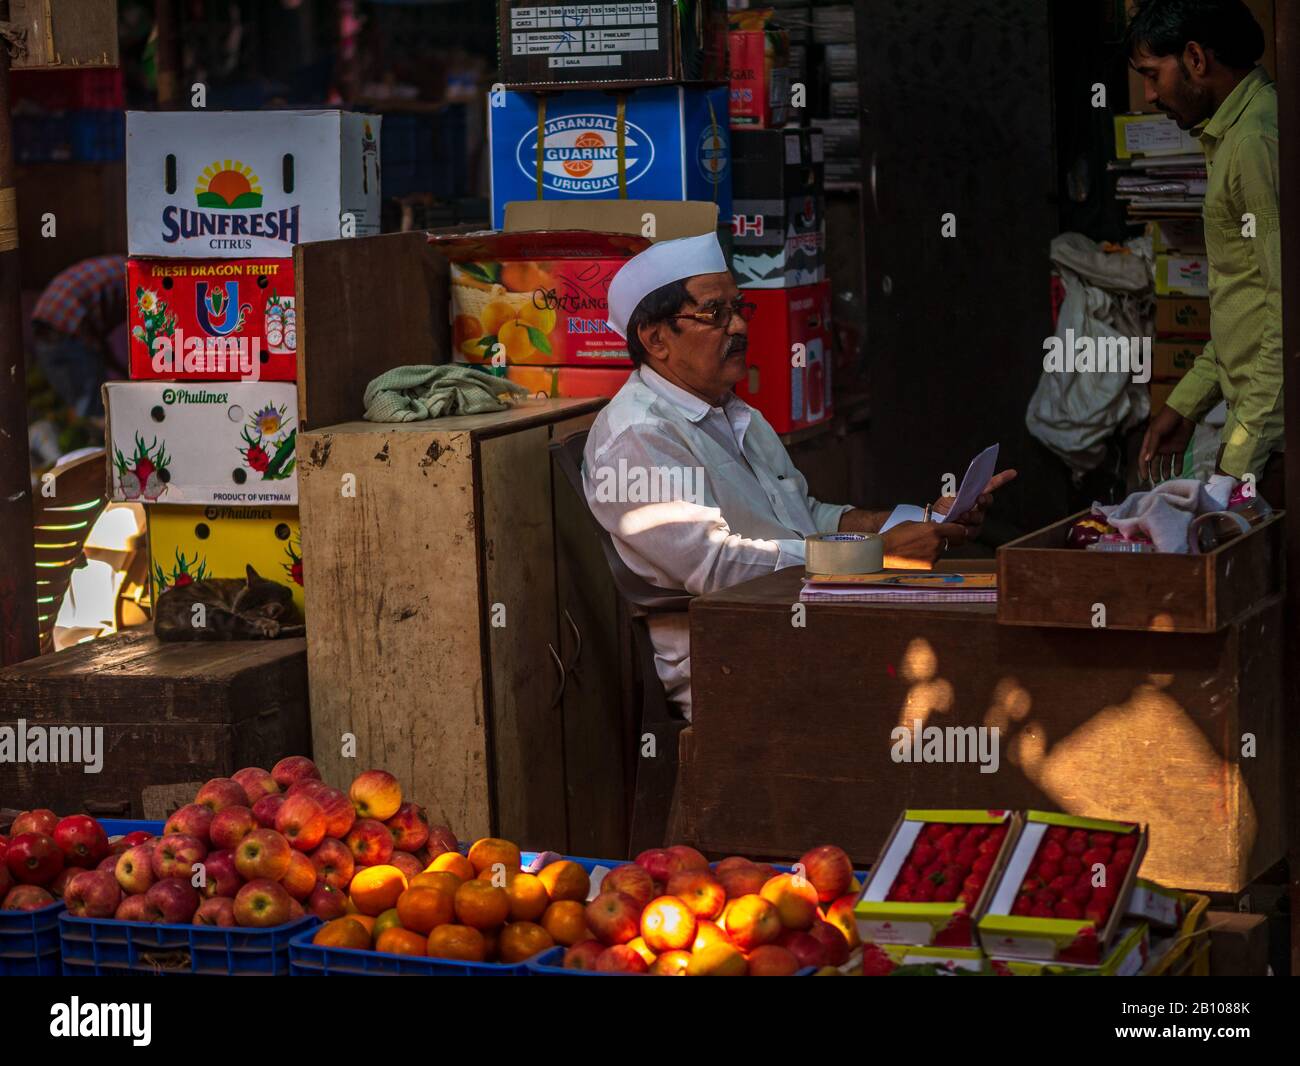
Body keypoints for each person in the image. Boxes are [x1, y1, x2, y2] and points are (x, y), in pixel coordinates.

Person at [583, 233, 1016, 717]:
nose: (740, 326)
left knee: (988, 638)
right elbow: (718, 567)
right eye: (713, 313)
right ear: (655, 338)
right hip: (738, 653)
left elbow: (804, 515)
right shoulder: (640, 436)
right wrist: (878, 556)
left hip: (806, 618)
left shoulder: (732, 411)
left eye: (739, 307)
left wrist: (919, 520)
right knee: (963, 674)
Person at [1129, 1, 1282, 499]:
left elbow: (1287, 318)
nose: (1149, 95)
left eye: (1153, 76)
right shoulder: (1232, 135)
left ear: (1195, 58)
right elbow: (1248, 304)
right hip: (1262, 429)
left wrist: (1236, 464)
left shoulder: (1255, 141)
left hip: (1274, 442)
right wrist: (1187, 402)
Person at [31, 254, 128, 420]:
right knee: (92, 403)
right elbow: (97, 347)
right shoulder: (137, 279)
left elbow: (100, 345)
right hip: (67, 319)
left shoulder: (123, 265)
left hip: (45, 317)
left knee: (83, 397)